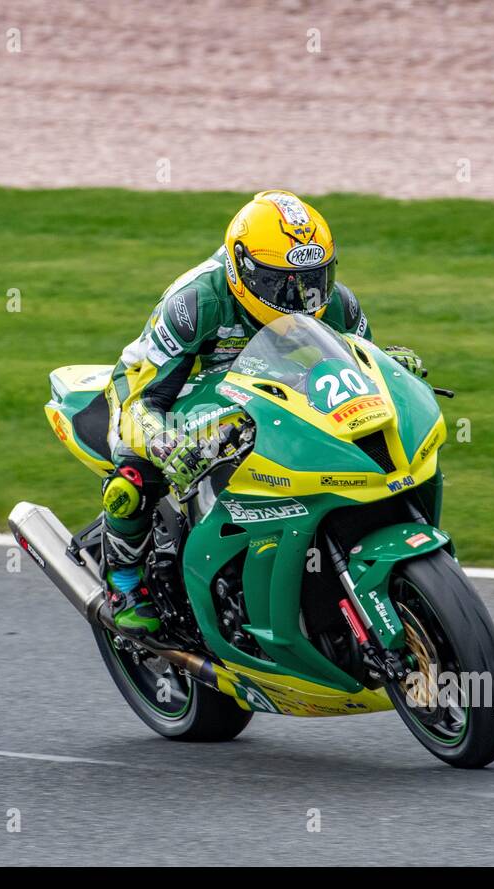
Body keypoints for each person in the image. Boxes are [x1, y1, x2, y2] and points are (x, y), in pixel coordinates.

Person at [100, 190, 426, 638]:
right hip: (169, 393)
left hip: (262, 392)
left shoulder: (337, 303)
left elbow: (361, 367)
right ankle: (123, 581)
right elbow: (143, 400)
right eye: (281, 283)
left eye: (313, 279)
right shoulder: (195, 303)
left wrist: (393, 366)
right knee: (136, 471)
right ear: (241, 268)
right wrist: (165, 440)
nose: (300, 297)